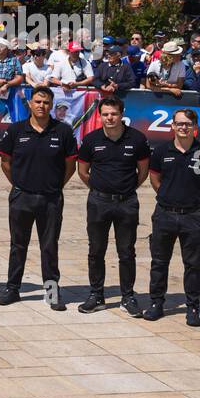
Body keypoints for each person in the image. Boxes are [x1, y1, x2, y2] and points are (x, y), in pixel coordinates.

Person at [0, 85, 79, 309]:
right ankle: (12, 289)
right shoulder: (16, 130)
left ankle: (51, 293)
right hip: (22, 197)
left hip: (51, 199)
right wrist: (20, 184)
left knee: (49, 247)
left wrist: (55, 186)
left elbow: (70, 165)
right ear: (30, 104)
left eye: (46, 102)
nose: (42, 106)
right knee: (18, 245)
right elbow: (5, 162)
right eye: (38, 102)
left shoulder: (63, 131)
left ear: (51, 106)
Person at [75, 96, 150, 315]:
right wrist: (100, 189)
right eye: (105, 114)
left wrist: (126, 189)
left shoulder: (137, 139)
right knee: (96, 251)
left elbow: (143, 171)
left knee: (126, 252)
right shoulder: (91, 139)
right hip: (98, 202)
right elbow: (83, 171)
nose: (110, 118)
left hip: (127, 203)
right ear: (100, 116)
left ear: (121, 114)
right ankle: (96, 295)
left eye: (114, 114)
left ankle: (128, 297)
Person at [145, 108, 200, 326]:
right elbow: (155, 179)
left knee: (193, 265)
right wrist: (169, 197)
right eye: (179, 123)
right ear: (172, 126)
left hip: (192, 217)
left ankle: (193, 308)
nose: (183, 127)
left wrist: (195, 202)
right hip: (164, 215)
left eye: (188, 124)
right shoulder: (161, 151)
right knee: (159, 262)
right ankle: (156, 303)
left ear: (195, 127)